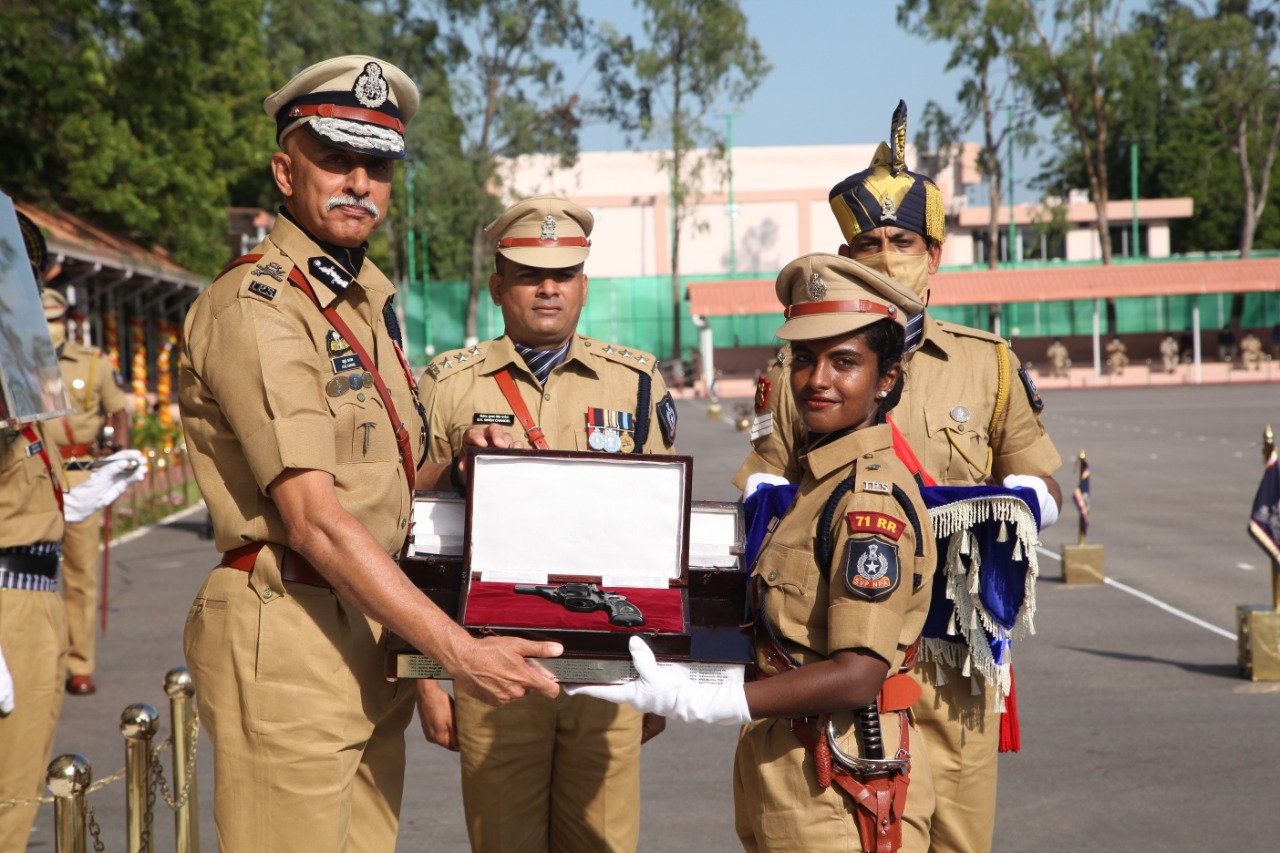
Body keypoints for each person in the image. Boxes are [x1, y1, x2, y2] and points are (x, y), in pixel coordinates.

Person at [177, 56, 562, 852]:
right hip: (290, 631)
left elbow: (374, 485)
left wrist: (455, 464)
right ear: (286, 171)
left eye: (377, 164)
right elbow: (314, 519)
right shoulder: (260, 309)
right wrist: (455, 648)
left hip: (366, 628)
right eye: (335, 158)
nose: (359, 180)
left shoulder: (363, 298)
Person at [733, 101, 1063, 853]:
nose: (886, 255)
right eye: (866, 241)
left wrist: (1003, 510)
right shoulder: (796, 371)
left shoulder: (989, 362)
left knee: (957, 839)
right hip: (845, 662)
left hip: (954, 664)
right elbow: (759, 487)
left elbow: (1039, 483)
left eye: (902, 240)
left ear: (935, 253)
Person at [573, 253, 937, 852]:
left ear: (887, 380)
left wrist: (708, 700)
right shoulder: (816, 485)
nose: (817, 379)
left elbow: (857, 674)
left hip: (843, 773)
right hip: (787, 762)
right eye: (804, 358)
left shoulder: (868, 499)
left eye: (845, 362)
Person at [415, 195, 678, 853]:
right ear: (499, 284)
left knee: (603, 842)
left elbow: (664, 535)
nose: (549, 288)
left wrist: (663, 676)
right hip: (491, 661)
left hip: (610, 668)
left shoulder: (637, 384)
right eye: (530, 274)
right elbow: (404, 522)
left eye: (563, 273)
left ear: (584, 285)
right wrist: (425, 670)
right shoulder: (447, 383)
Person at [2, 208, 145, 852]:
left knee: (20, 787)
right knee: (7, 804)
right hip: (6, 597)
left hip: (35, 587)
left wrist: (83, 490)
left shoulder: (16, 366)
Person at [41, 287, 131, 696]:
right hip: (35, 472)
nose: (51, 328)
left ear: (68, 320)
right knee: (29, 572)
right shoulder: (15, 362)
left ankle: (79, 664)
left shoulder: (93, 361)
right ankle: (39, 660)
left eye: (56, 320)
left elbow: (118, 409)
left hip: (80, 474)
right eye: (44, 320)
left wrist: (121, 461)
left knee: (80, 577)